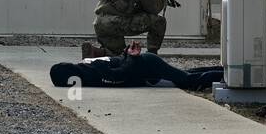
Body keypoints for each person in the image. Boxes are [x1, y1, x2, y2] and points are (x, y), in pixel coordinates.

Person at [51, 40, 223, 90]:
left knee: (189, 81)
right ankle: (225, 71)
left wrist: (130, 56)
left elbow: (121, 75)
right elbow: (119, 65)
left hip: (146, 66)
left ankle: (229, 75)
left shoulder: (94, 73)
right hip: (144, 66)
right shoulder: (89, 66)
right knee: (184, 75)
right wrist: (128, 55)